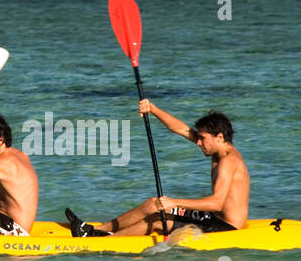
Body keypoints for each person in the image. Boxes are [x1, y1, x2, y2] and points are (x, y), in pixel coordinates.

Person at [66, 100, 248, 237]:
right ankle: (95, 230)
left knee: (160, 220)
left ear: (219, 137)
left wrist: (174, 203)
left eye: (202, 138)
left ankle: (103, 242)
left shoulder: (228, 162)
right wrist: (152, 109)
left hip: (225, 227)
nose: (198, 142)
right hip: (211, 217)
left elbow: (216, 203)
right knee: (154, 204)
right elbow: (182, 129)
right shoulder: (217, 149)